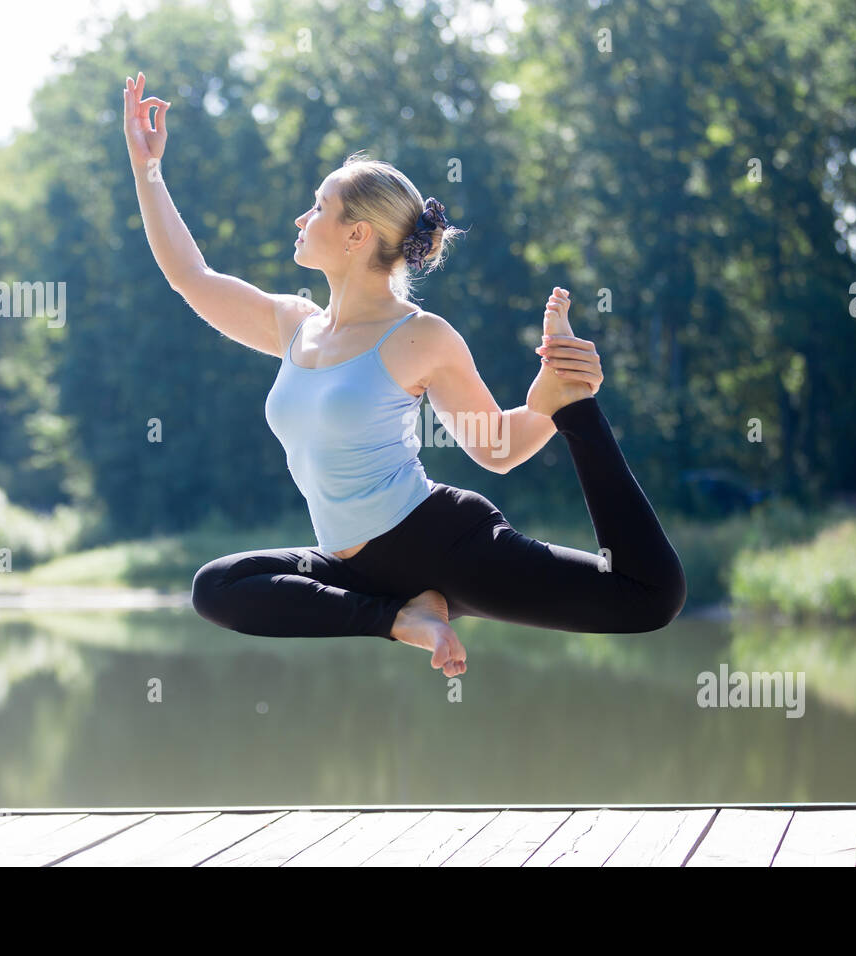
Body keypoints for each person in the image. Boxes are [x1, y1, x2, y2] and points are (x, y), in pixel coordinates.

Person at [123, 72, 686, 678]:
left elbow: (496, 449)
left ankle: (578, 409)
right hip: (356, 572)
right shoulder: (293, 325)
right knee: (217, 588)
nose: (300, 218)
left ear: (356, 235)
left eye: (318, 208)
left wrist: (554, 403)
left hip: (441, 544)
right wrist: (147, 170)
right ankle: (402, 617)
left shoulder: (420, 336)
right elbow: (191, 277)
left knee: (648, 598)